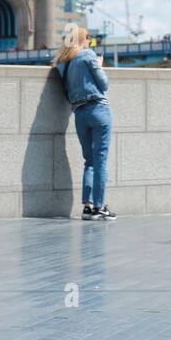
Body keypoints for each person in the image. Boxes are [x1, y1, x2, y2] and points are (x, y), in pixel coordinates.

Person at [54, 24, 116, 221]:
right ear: (81, 39)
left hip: (79, 113)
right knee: (100, 161)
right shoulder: (88, 55)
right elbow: (104, 84)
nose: (90, 41)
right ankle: (100, 207)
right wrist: (99, 64)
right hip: (98, 109)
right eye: (88, 37)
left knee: (89, 161)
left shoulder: (64, 63)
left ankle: (88, 207)